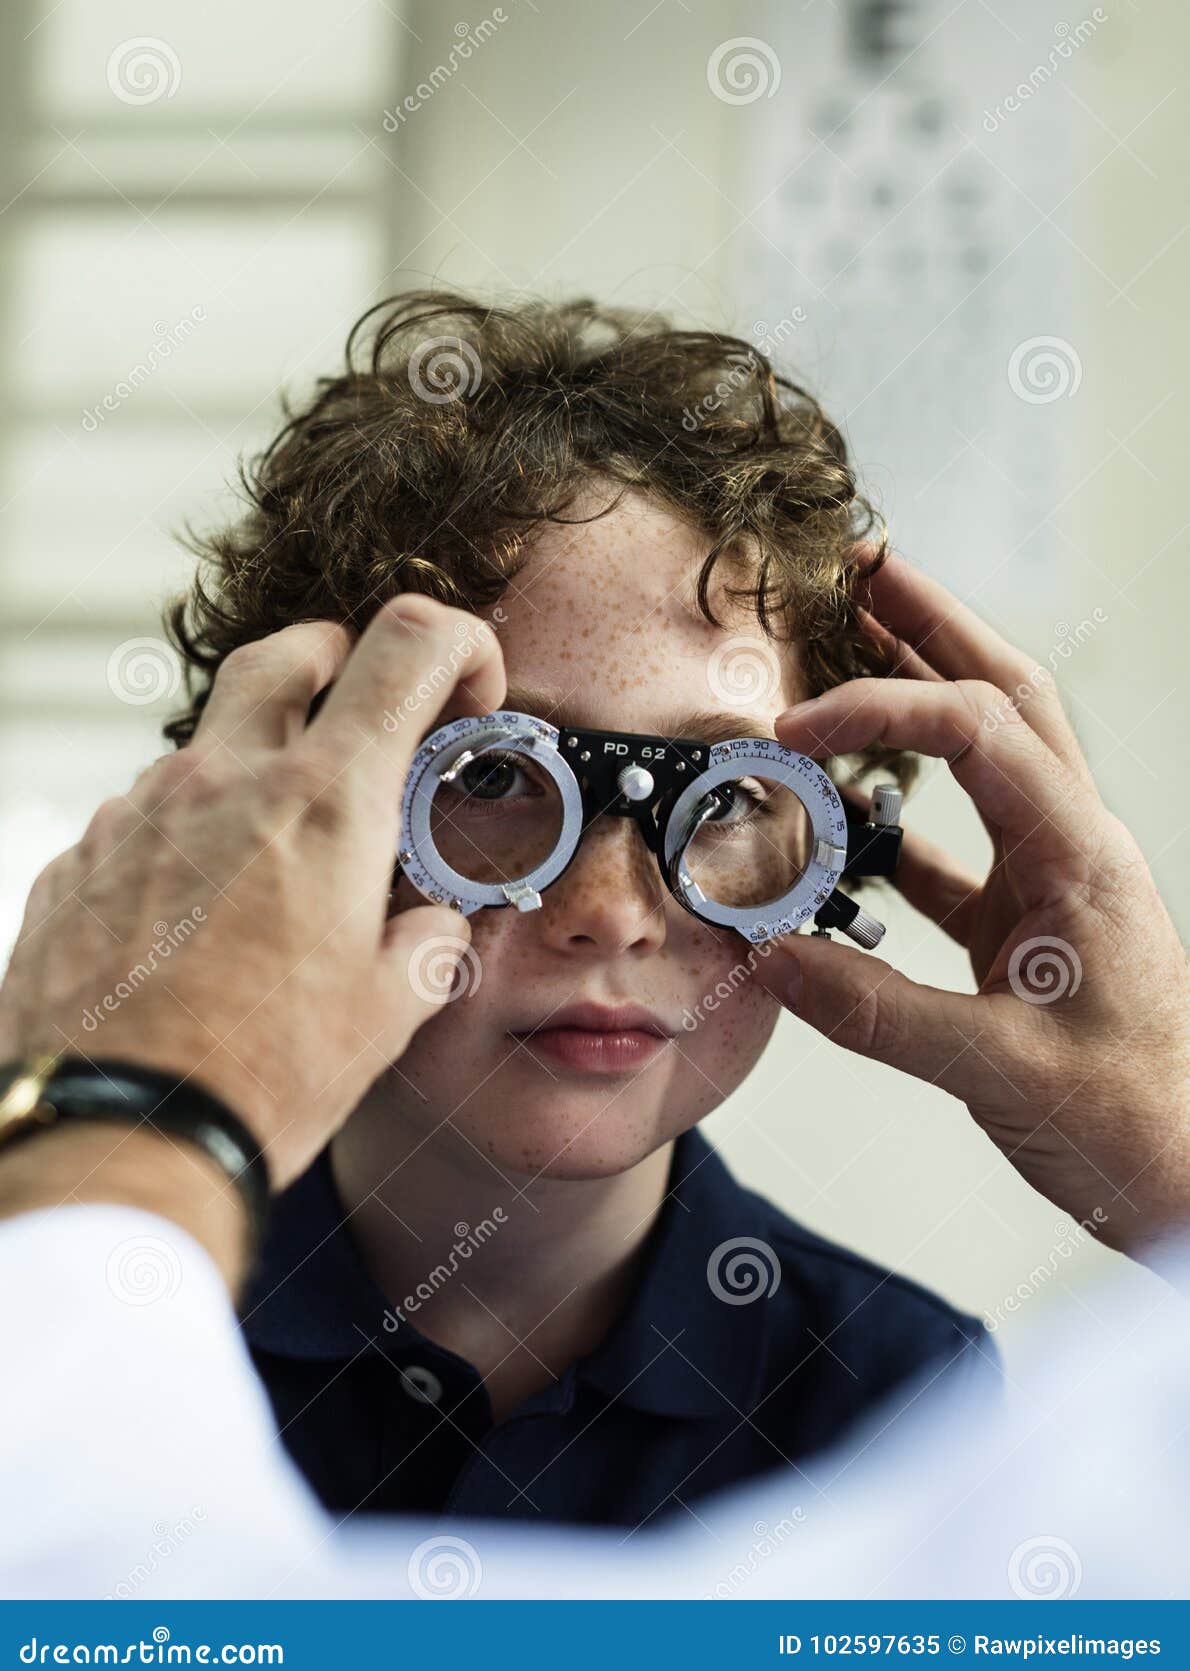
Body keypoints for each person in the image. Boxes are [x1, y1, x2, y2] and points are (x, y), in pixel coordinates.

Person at [0, 294, 1186, 1543]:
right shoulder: (110, 1285)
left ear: (833, 848)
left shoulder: (891, 1397)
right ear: (280, 822)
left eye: (726, 796)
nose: (610, 915)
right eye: (495, 777)